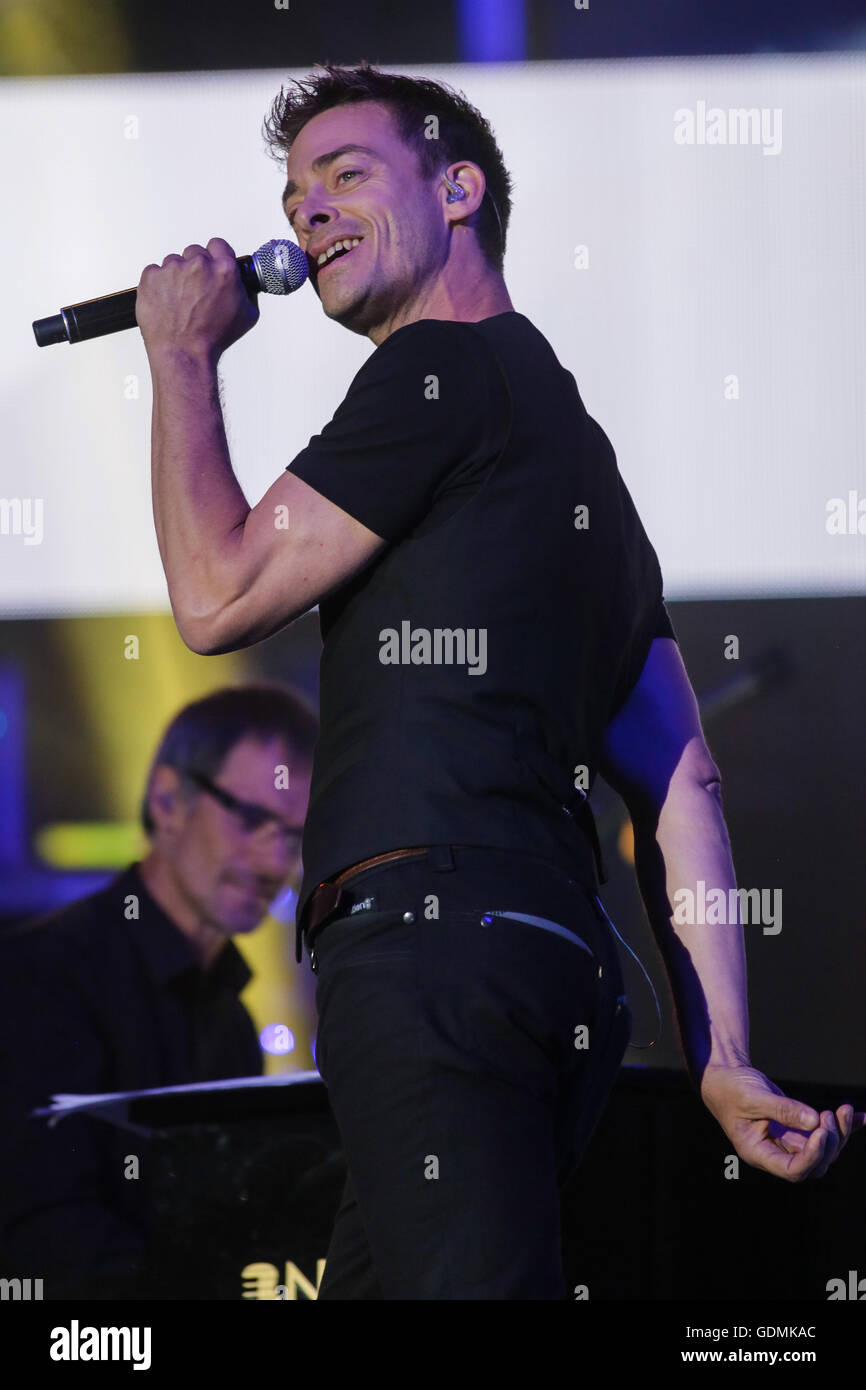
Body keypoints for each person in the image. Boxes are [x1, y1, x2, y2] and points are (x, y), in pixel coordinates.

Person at [133, 62, 864, 1300]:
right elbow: (680, 778)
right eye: (295, 193)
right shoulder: (572, 444)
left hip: (433, 964)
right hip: (547, 965)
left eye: (347, 174)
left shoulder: (440, 372)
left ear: (459, 189)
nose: (307, 212)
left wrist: (181, 361)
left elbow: (213, 597)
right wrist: (723, 1058)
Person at [0, 682, 316, 1298]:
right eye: (252, 819)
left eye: (295, 835)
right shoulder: (42, 976)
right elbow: (41, 1241)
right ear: (168, 800)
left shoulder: (230, 1018)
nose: (274, 860)